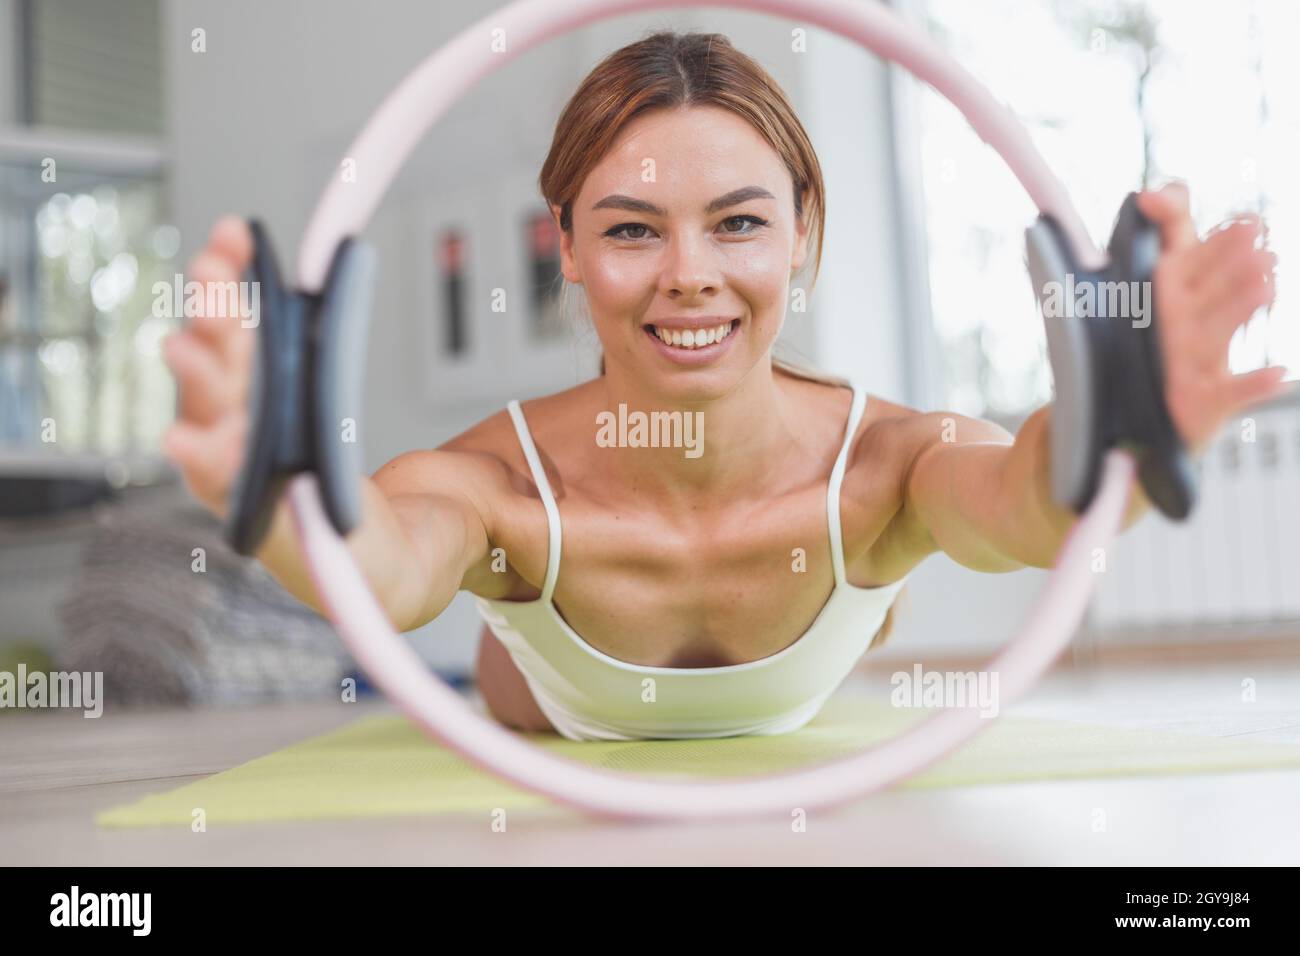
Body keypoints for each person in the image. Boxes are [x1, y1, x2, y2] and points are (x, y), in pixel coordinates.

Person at [162, 31, 1287, 740]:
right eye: (631, 229)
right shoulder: (496, 483)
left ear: (801, 237)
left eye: (740, 221)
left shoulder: (893, 464)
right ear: (565, 247)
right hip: (547, 696)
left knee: (891, 556)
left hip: (824, 567)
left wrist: (1124, 442)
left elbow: (1024, 499)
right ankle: (519, 648)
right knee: (501, 671)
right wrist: (284, 488)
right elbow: (389, 562)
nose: (688, 275)